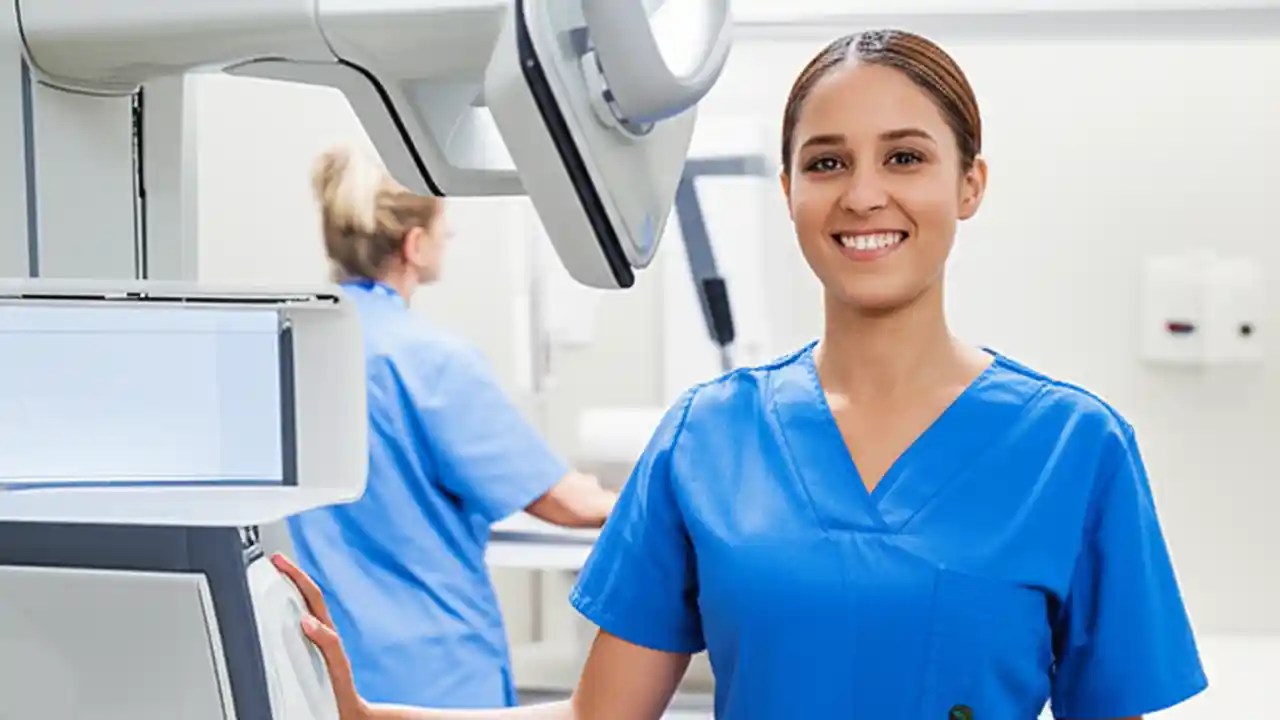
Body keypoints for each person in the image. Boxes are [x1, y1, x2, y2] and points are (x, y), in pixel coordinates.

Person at [275, 29, 1209, 720]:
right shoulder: (706, 438)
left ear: (970, 184)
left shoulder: (1074, 449)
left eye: (907, 158)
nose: (864, 193)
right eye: (827, 161)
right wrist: (370, 718)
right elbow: (597, 718)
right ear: (792, 192)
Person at [285, 145, 619, 710]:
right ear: (414, 246)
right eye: (446, 228)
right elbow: (566, 505)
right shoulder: (429, 361)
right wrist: (659, 499)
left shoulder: (290, 345)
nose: (451, 239)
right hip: (430, 675)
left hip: (319, 661)